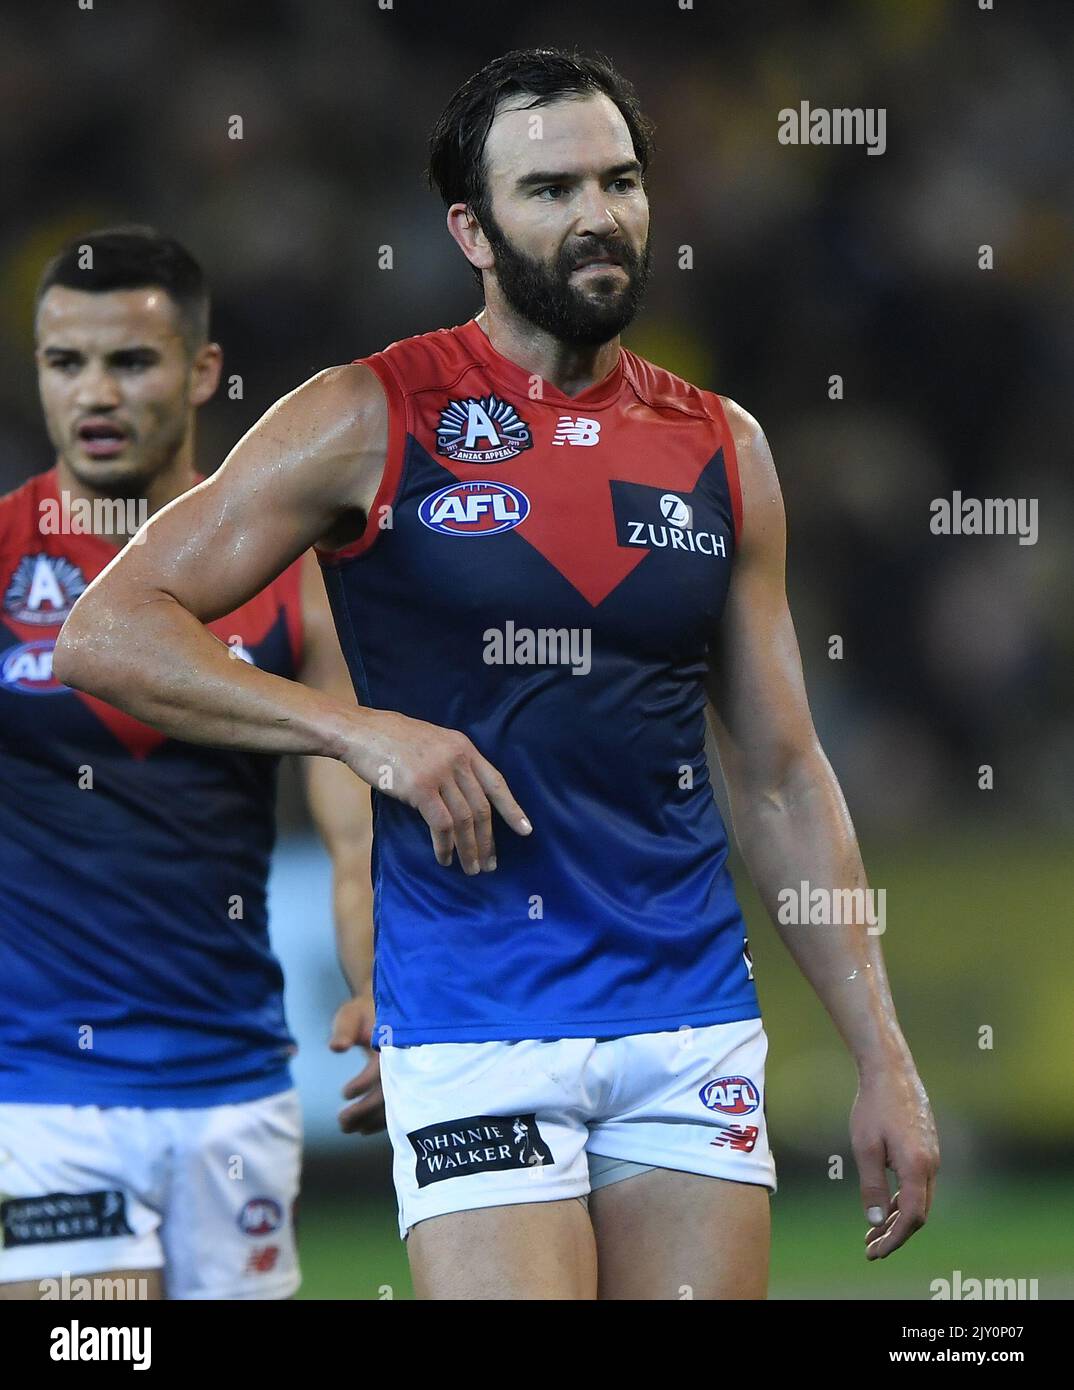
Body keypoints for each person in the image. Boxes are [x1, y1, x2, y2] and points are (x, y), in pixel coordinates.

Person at [53, 53, 939, 1301]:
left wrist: (881, 1054)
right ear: (471, 228)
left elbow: (784, 773)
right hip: (476, 1019)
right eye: (552, 188)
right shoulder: (369, 414)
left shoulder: (722, 445)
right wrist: (359, 733)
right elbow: (110, 628)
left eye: (621, 180)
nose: (598, 215)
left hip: (687, 1018)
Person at [0, 227, 380, 1302]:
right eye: (64, 363)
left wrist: (373, 986)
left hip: (237, 1084)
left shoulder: (285, 575)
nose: (95, 393)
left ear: (204, 371)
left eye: (131, 360)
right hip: (45, 1092)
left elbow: (352, 830)